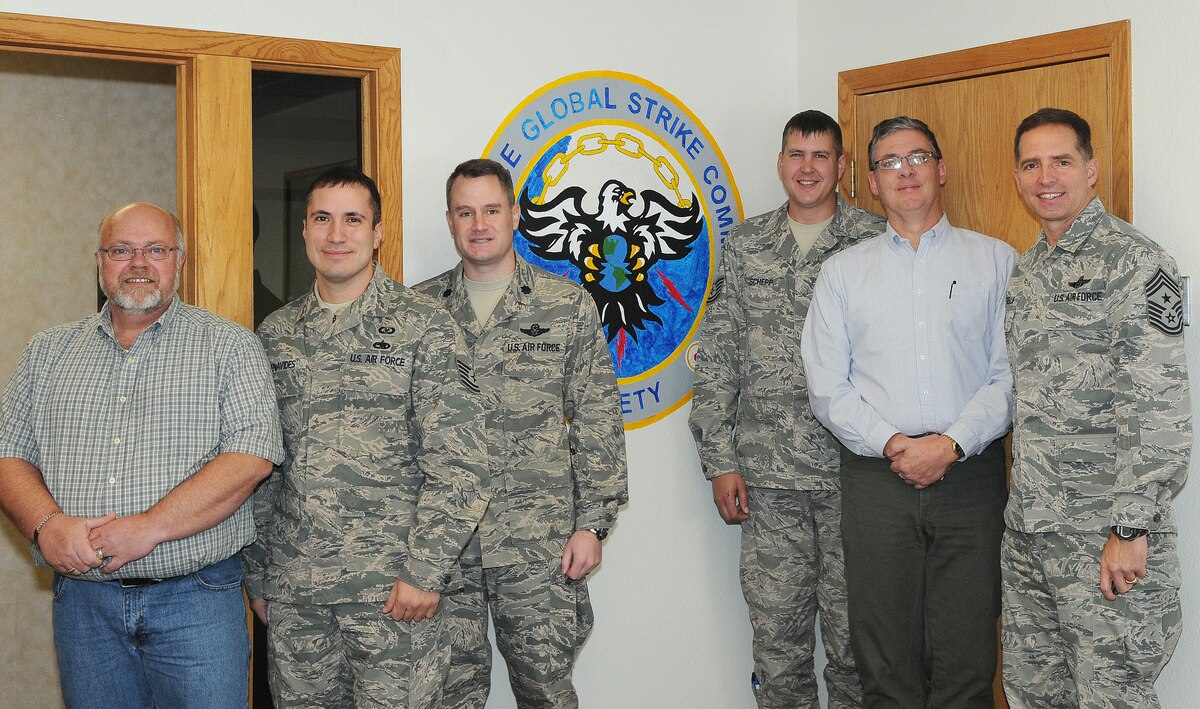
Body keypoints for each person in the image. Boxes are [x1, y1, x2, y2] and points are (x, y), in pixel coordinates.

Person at [0, 202, 284, 708]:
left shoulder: (230, 347)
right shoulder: (46, 354)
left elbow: (252, 456)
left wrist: (149, 527)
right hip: (85, 606)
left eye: (156, 249)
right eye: (121, 250)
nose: (138, 263)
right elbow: (9, 455)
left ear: (180, 260)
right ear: (99, 261)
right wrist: (46, 526)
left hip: (196, 601)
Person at [242, 166, 490, 708]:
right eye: (322, 219)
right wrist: (260, 576)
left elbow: (461, 464)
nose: (336, 235)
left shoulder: (425, 326)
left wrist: (425, 572)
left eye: (353, 220)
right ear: (304, 229)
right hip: (297, 594)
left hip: (394, 595)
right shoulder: (276, 335)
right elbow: (259, 465)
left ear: (377, 233)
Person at [801, 116, 1016, 708]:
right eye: (890, 162)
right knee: (884, 661)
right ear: (872, 182)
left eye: (918, 157)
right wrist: (896, 444)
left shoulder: (996, 262)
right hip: (877, 479)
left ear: (941, 170)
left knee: (968, 659)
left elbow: (1009, 376)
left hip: (970, 477)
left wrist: (949, 445)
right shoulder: (842, 274)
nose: (906, 171)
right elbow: (827, 385)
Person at [688, 109, 885, 708]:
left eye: (821, 155)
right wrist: (720, 462)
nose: (807, 168)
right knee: (777, 650)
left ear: (841, 166)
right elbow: (717, 358)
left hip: (857, 478)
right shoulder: (746, 245)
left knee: (858, 649)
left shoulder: (875, 241)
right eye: (797, 154)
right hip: (768, 482)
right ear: (780, 163)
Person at [414, 158, 628, 709]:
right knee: (446, 696)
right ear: (449, 220)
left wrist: (592, 526)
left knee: (545, 693)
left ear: (514, 215)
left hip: (537, 543)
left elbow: (597, 419)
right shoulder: (417, 312)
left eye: (491, 210)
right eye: (465, 212)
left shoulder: (566, 306)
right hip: (443, 546)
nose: (479, 224)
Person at [1002, 108, 1190, 708]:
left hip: (1103, 532)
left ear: (1091, 170)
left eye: (1061, 161)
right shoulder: (1028, 270)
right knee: (1034, 693)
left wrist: (1129, 528)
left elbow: (1158, 405)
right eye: (1031, 164)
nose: (1045, 177)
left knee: (1113, 695)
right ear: (1017, 177)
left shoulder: (1135, 262)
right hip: (1032, 530)